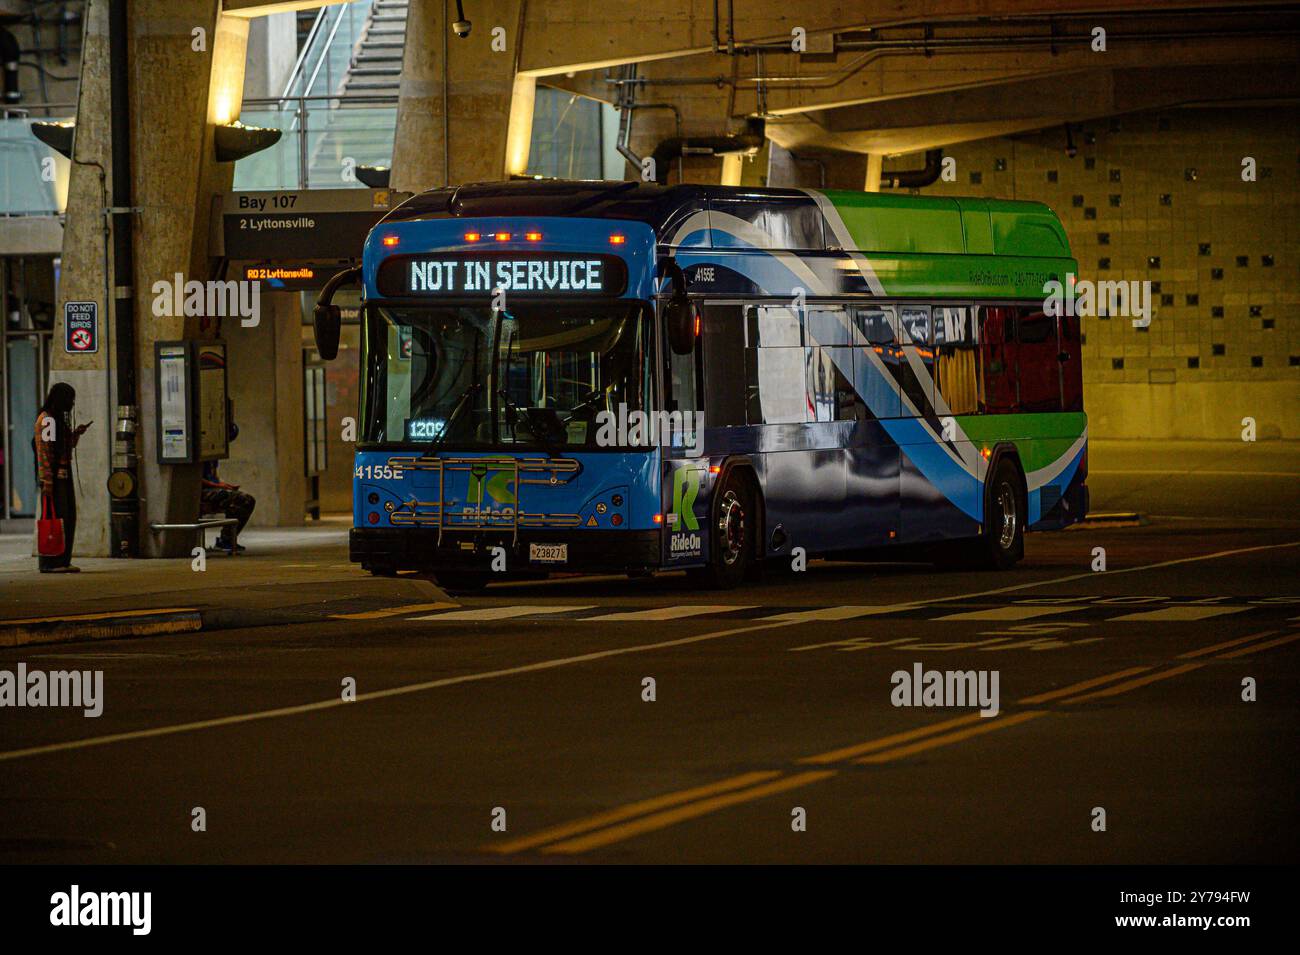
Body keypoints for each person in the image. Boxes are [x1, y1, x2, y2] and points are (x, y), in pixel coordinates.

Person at [35, 382, 90, 573]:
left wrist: (76, 435)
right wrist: (47, 480)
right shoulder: (48, 420)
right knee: (55, 518)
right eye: (70, 399)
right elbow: (45, 451)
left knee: (68, 517)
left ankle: (63, 559)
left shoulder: (57, 420)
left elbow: (64, 446)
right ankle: (51, 561)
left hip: (64, 476)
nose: (72, 404)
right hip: (54, 478)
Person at [200, 423, 255, 554]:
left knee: (244, 499)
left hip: (211, 487)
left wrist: (225, 484)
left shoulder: (213, 454)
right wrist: (219, 486)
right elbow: (196, 479)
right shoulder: (200, 450)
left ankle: (227, 539)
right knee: (240, 500)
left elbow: (213, 476)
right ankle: (226, 539)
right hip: (199, 491)